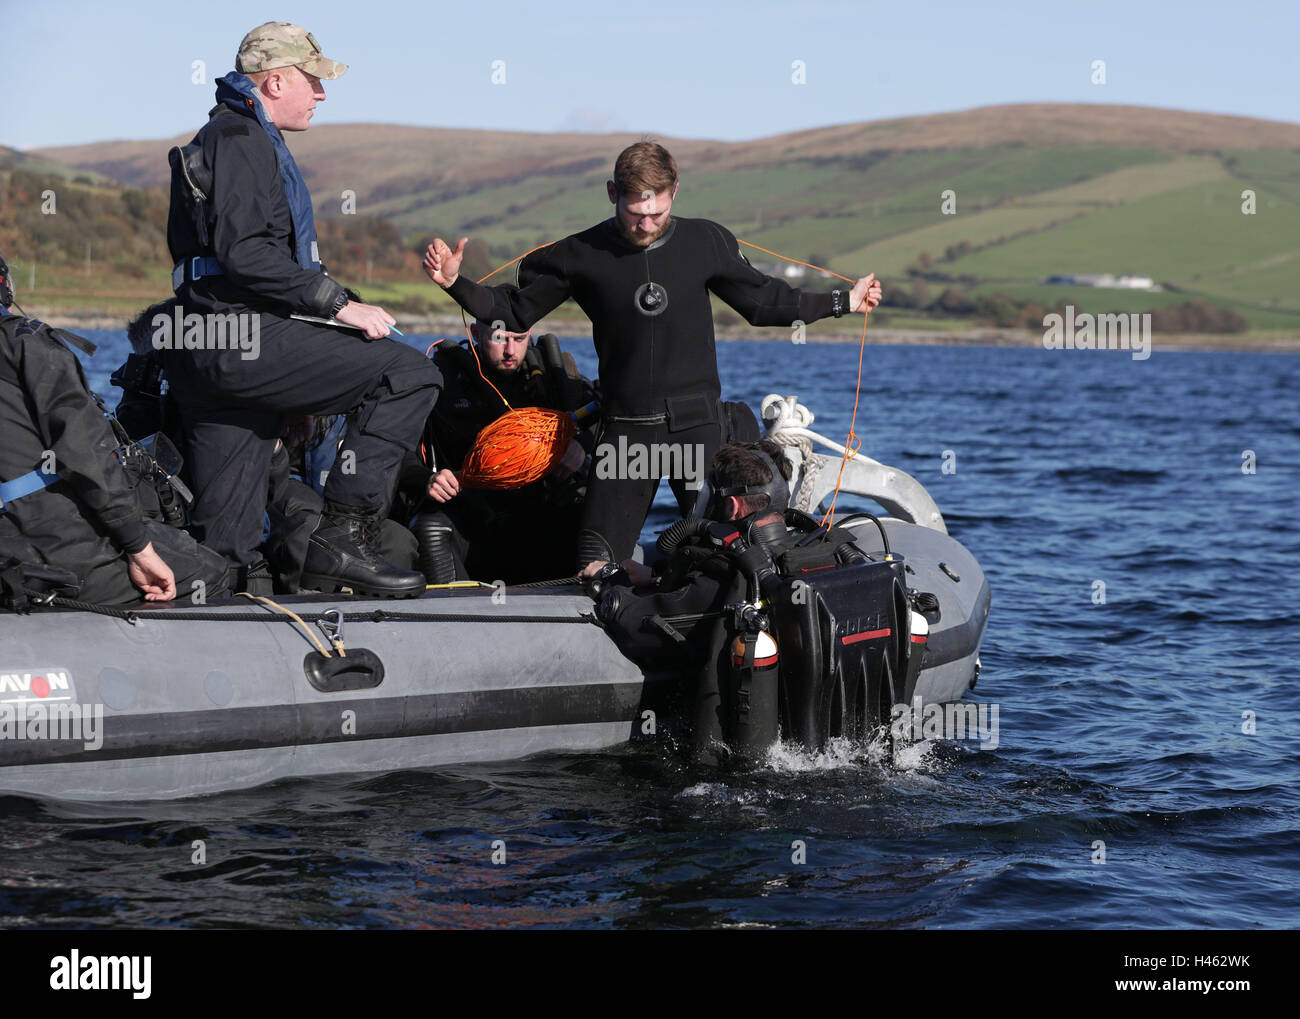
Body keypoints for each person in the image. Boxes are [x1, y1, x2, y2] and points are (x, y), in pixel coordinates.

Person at [423, 141, 882, 569]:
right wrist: (454, 284)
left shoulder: (705, 242)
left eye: (658, 214)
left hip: (696, 430)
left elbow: (765, 303)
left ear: (674, 193)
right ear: (612, 194)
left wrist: (844, 301)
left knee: (727, 551)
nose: (646, 224)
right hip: (627, 433)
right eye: (635, 213)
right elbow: (514, 312)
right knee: (594, 561)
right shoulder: (579, 254)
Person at [164, 21, 440, 597]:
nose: (321, 94)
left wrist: (292, 380)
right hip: (236, 341)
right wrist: (338, 305)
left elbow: (247, 262)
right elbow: (246, 254)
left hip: (211, 351)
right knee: (408, 373)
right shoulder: (241, 140)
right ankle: (343, 539)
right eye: (312, 81)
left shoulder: (233, 136)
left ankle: (215, 627)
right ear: (273, 82)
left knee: (226, 542)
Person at [0, 252, 231, 607]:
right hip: (46, 546)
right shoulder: (28, 345)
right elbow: (87, 454)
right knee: (211, 572)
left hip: (20, 540)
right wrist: (137, 545)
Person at [400, 319, 594, 584]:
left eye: (520, 339)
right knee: (431, 526)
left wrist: (579, 445)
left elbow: (609, 419)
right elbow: (397, 452)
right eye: (501, 338)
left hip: (540, 515)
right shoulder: (442, 381)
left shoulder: (555, 381)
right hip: (473, 518)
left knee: (590, 510)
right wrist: (427, 479)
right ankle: (450, 611)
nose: (510, 351)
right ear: (477, 333)